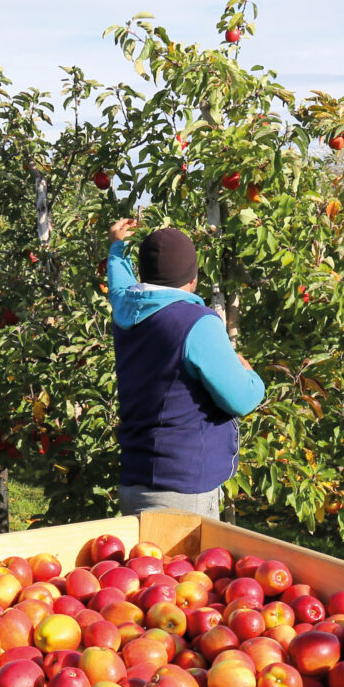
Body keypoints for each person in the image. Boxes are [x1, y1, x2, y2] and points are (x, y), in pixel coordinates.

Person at [106, 218, 265, 518]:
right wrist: (251, 376)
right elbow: (241, 399)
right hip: (183, 491)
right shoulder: (197, 322)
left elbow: (119, 284)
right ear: (193, 280)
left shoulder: (126, 307)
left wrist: (117, 248)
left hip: (135, 480)